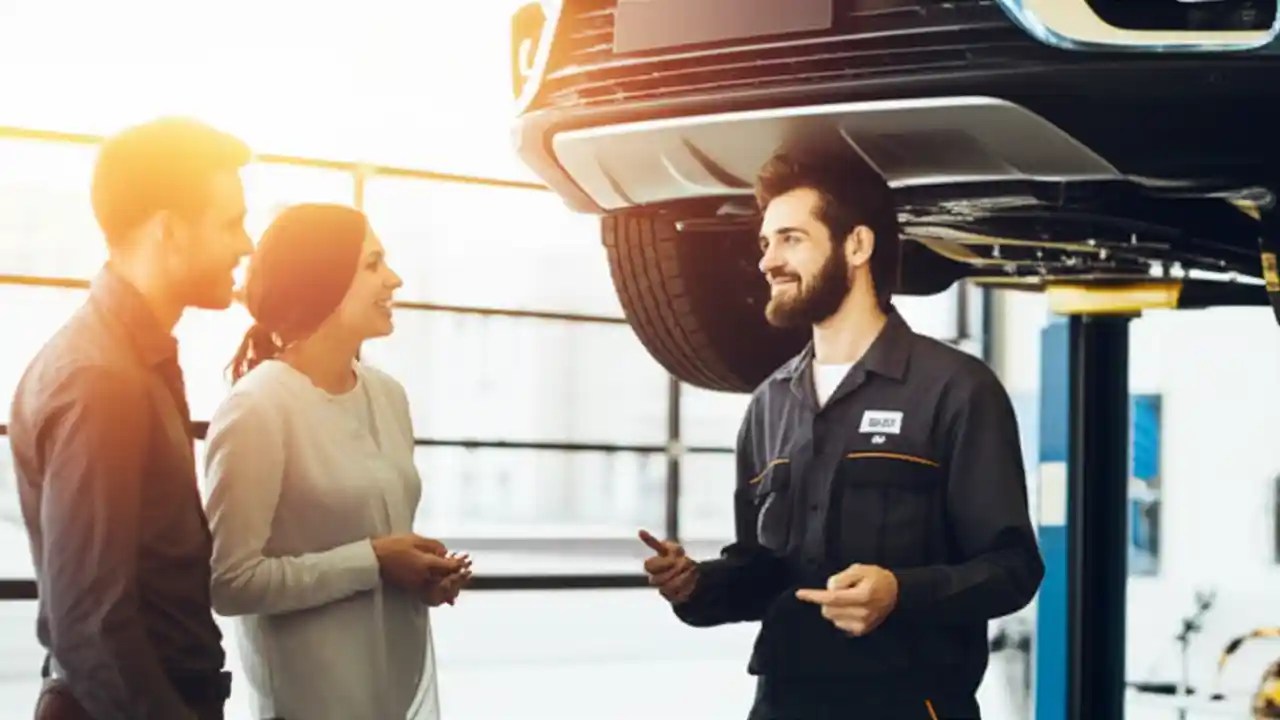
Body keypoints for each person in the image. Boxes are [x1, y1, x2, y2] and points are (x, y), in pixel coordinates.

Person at [638, 150, 1045, 719]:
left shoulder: (955, 389)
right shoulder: (769, 403)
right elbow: (763, 570)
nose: (767, 262)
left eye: (790, 240)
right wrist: (696, 584)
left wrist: (900, 592)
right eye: (765, 244)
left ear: (856, 246)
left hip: (909, 705)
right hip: (785, 702)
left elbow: (1013, 571)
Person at [8, 117, 254, 719]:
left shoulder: (127, 361)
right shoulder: (100, 379)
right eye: (231, 223)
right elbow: (91, 625)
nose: (245, 244)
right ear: (169, 232)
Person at [201, 203, 471, 720]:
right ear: (320, 280)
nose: (394, 279)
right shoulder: (257, 407)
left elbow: (382, 548)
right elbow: (230, 583)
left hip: (395, 690)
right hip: (310, 703)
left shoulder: (388, 396)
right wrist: (374, 559)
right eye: (373, 264)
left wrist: (418, 574)